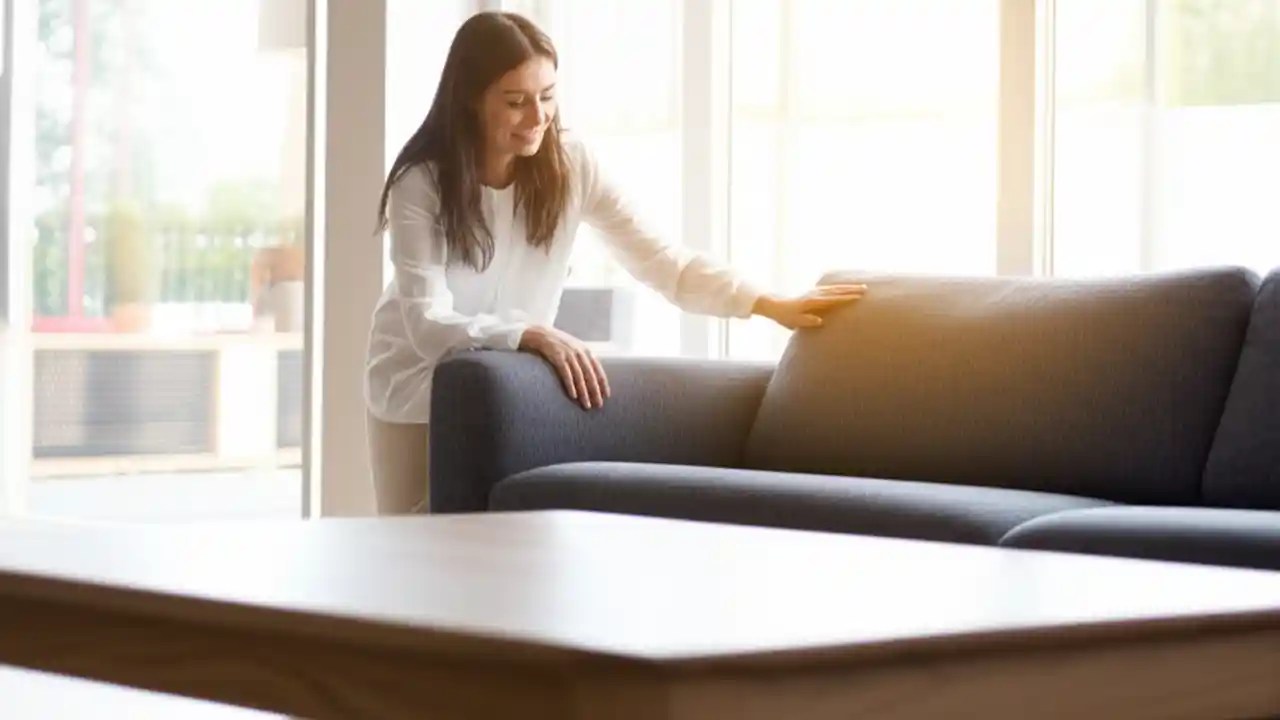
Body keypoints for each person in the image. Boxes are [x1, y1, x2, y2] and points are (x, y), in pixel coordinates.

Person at [364, 11, 866, 515]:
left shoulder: (570, 165)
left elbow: (662, 261)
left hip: (505, 385)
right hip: (410, 382)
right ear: (471, 100)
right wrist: (529, 334)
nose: (537, 117)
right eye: (515, 102)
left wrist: (765, 303)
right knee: (408, 539)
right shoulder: (422, 182)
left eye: (548, 96)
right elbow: (427, 323)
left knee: (492, 537)